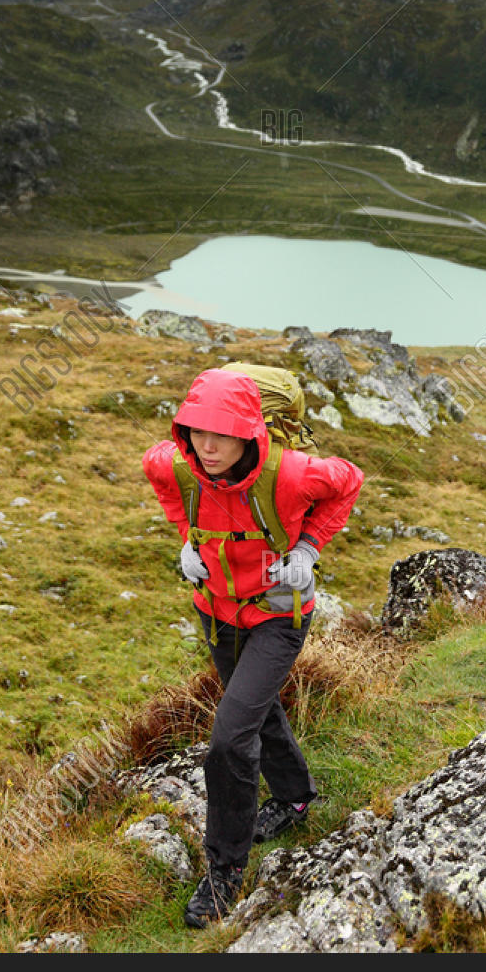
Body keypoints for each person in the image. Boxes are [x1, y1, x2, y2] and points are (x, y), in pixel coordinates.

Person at [142, 365, 365, 927]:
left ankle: (224, 872)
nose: (207, 445)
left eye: (221, 433)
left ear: (250, 431)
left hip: (277, 617)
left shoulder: (290, 474)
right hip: (215, 611)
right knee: (256, 713)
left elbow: (349, 480)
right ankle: (294, 799)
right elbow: (163, 482)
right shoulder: (174, 464)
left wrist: (309, 550)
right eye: (196, 430)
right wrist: (186, 539)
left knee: (228, 738)